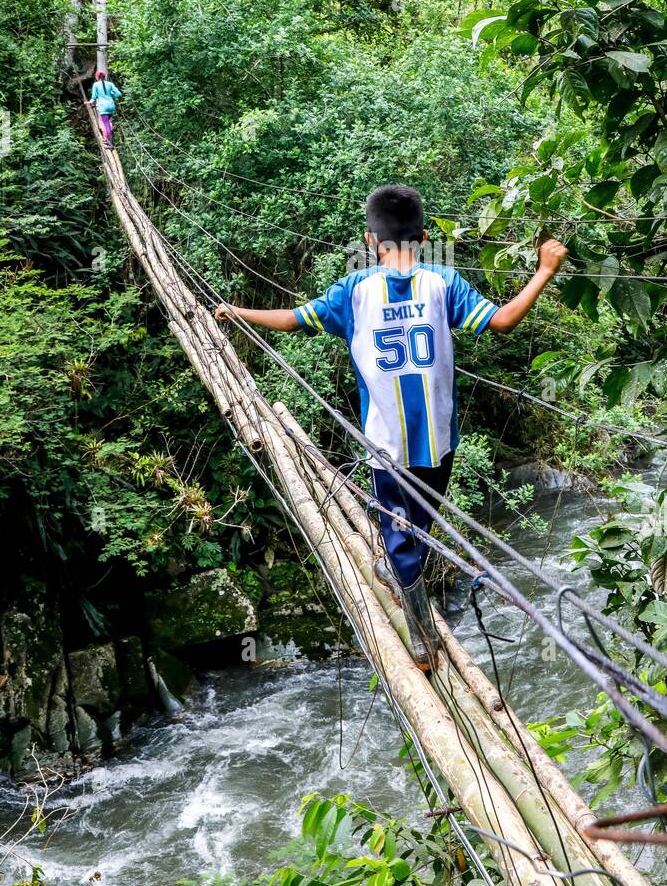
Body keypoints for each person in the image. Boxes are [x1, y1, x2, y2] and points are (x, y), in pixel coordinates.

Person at [214, 184, 568, 673]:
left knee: (404, 532)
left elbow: (294, 318)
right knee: (416, 529)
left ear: (369, 239)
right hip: (439, 441)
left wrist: (239, 313)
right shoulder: (444, 283)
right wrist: (544, 271)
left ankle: (401, 581)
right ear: (424, 236)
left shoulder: (354, 292)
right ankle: (421, 629)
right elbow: (503, 321)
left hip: (384, 446)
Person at [89, 71, 122, 148]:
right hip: (111, 105)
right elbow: (119, 94)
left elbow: (93, 97)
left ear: (97, 77)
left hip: (103, 107)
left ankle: (110, 143)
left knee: (106, 124)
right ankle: (108, 140)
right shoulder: (110, 84)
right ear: (104, 77)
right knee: (108, 123)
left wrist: (89, 102)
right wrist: (111, 95)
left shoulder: (96, 85)